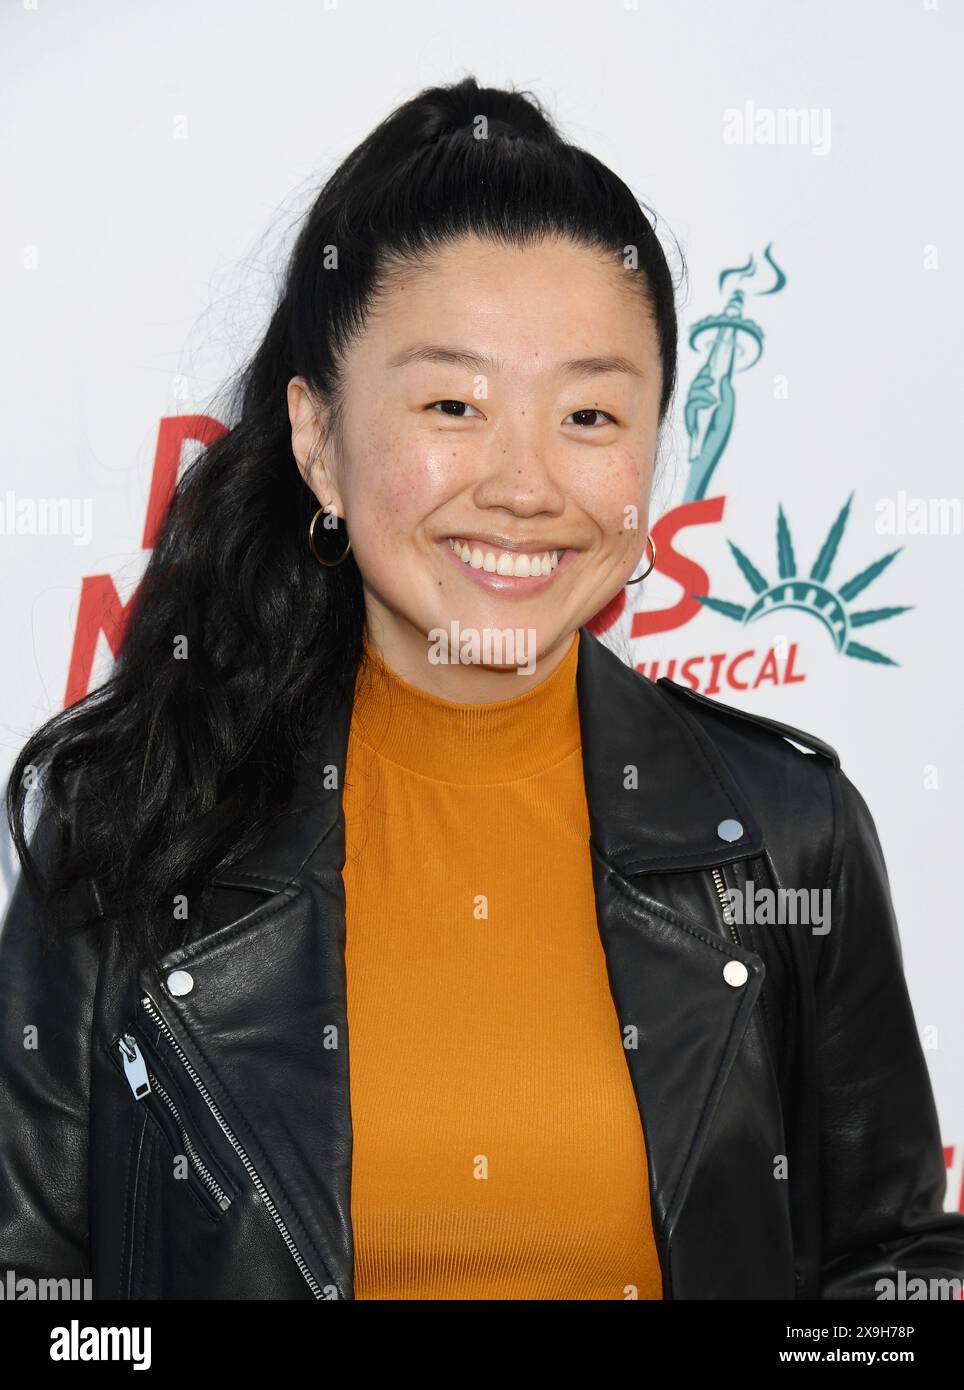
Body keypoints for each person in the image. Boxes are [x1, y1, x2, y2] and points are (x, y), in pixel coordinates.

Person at [1, 75, 962, 1302]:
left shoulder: (782, 834)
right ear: (317, 439)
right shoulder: (133, 818)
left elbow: (891, 1262)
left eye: (589, 413)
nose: (524, 483)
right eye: (453, 404)